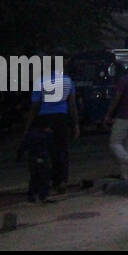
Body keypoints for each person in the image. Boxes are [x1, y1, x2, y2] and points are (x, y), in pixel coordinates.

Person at [23, 64, 78, 196]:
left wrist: (27, 127)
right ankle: (62, 181)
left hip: (44, 119)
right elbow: (72, 105)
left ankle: (46, 182)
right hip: (61, 119)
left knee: (45, 151)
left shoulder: (40, 82)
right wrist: (76, 124)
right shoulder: (68, 81)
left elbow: (35, 106)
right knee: (62, 150)